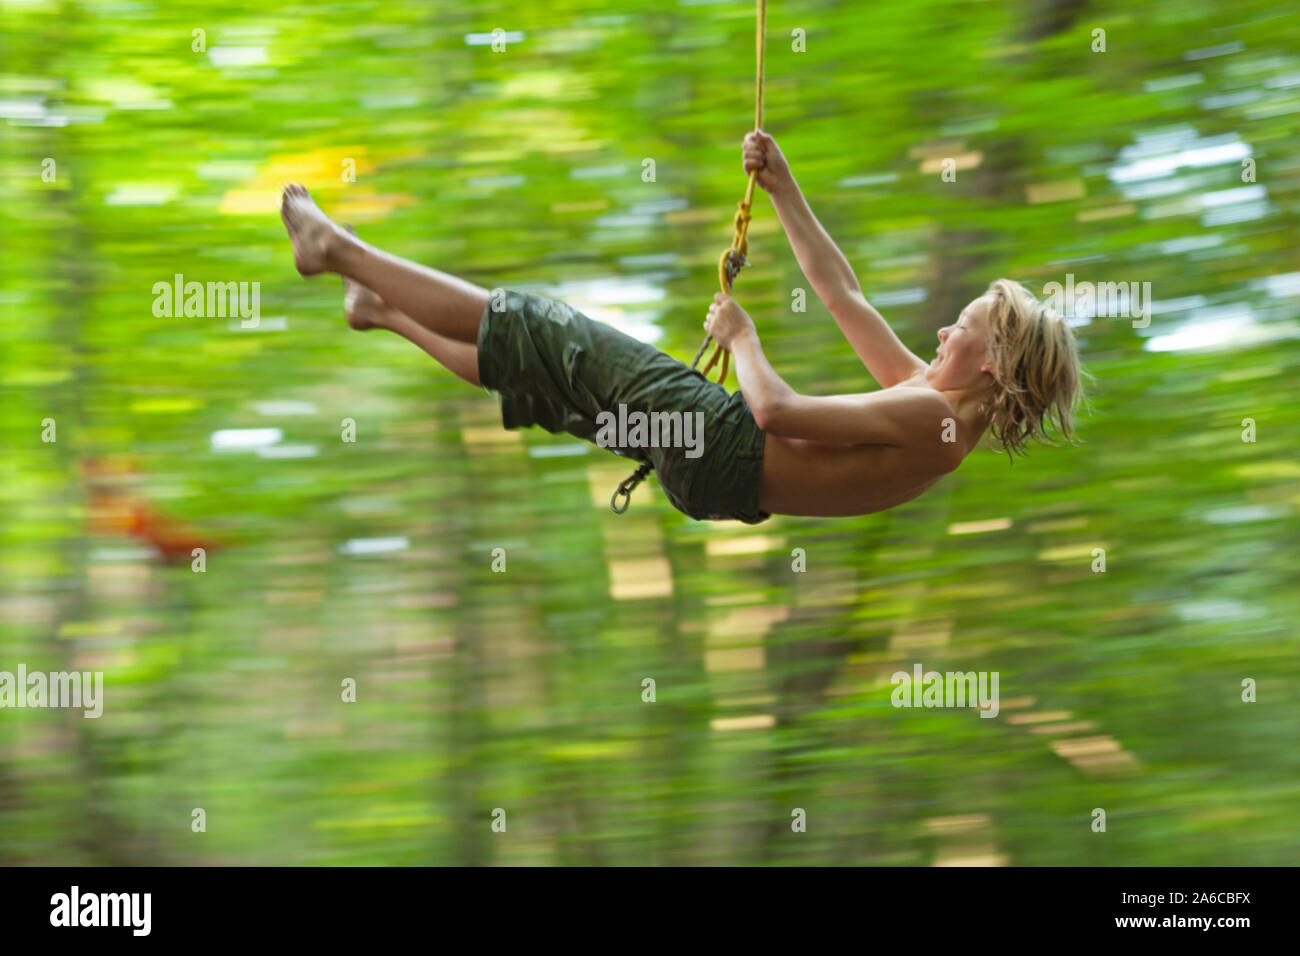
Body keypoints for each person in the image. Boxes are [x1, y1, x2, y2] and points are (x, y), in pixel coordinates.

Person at [279, 131, 1086, 523]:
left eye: (966, 326)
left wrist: (743, 339)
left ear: (995, 364)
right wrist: (785, 188)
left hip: (725, 437)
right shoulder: (940, 418)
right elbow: (844, 296)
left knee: (539, 324)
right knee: (551, 381)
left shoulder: (931, 417)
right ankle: (380, 309)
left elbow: (777, 413)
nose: (945, 329)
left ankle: (338, 249)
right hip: (712, 478)